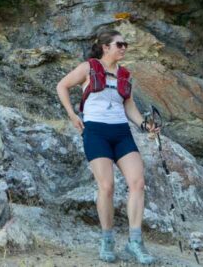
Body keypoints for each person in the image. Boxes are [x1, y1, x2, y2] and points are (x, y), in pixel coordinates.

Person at [56, 25, 159, 264]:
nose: (124, 48)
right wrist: (72, 114)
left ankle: (135, 242)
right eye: (119, 44)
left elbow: (129, 106)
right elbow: (62, 86)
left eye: (125, 45)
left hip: (121, 132)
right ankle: (107, 240)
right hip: (96, 131)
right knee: (107, 186)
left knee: (138, 183)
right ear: (106, 47)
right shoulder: (89, 67)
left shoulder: (124, 74)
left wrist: (145, 125)